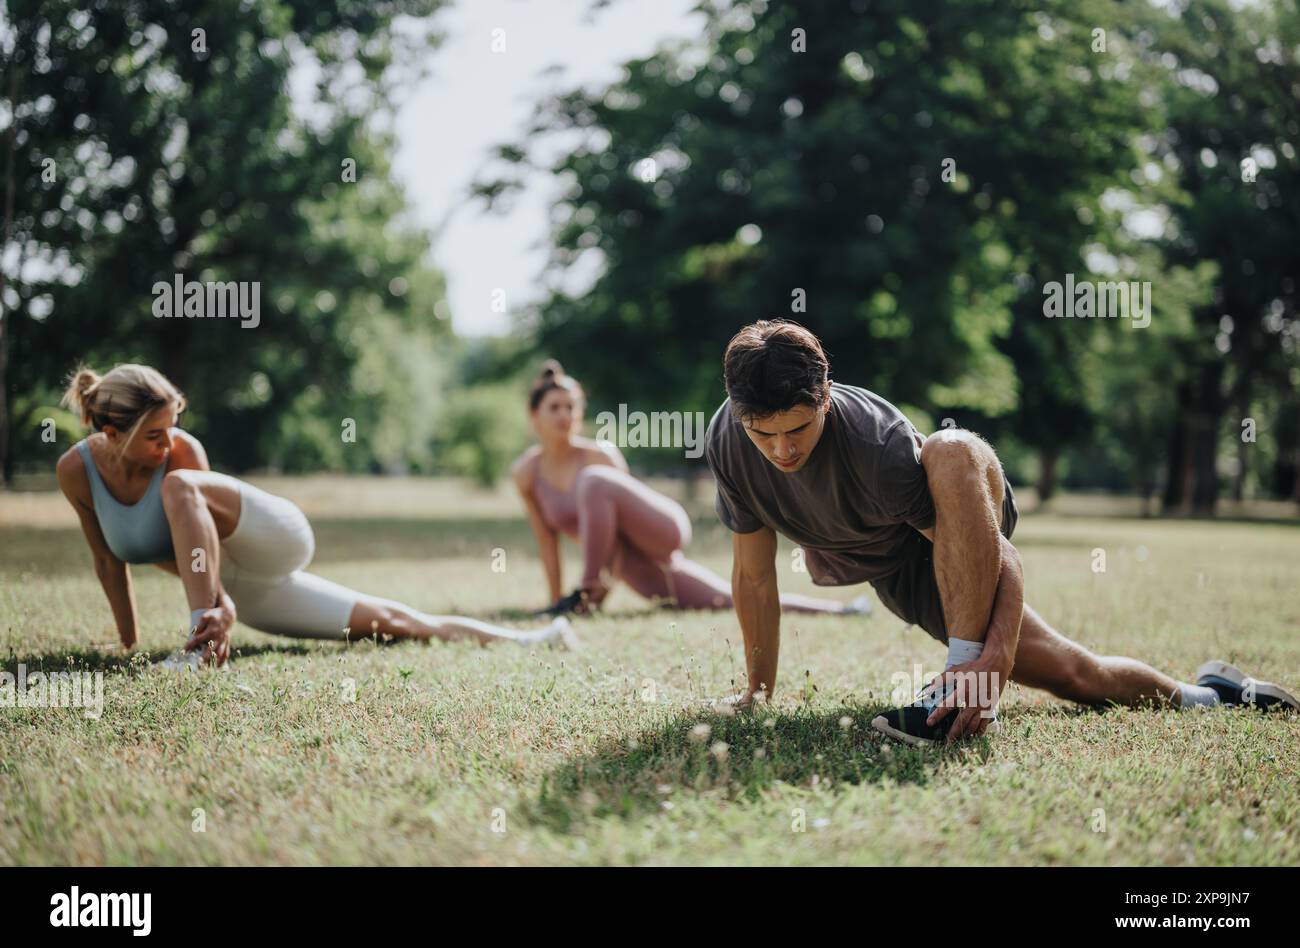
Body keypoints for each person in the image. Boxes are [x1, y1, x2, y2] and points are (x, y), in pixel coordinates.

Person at [703, 320, 1297, 745]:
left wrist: (992, 657)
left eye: (798, 430)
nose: (781, 450)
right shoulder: (730, 440)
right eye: (764, 434)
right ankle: (1216, 693)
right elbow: (754, 576)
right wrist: (759, 693)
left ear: (825, 397)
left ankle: (960, 682)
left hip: (959, 522)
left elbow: (999, 553)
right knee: (1075, 674)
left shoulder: (875, 448)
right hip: (896, 571)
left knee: (952, 447)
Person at [57, 364, 575, 667]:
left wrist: (213, 609)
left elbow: (203, 530)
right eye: (155, 434)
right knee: (393, 623)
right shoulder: (76, 472)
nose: (170, 441)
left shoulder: (182, 459)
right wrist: (129, 644)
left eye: (173, 426)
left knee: (181, 485)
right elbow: (108, 562)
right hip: (241, 587)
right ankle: (536, 638)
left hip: (271, 538)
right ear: (110, 435)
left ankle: (200, 643)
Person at [512, 360, 872, 617]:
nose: (564, 415)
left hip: (660, 532)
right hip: (631, 563)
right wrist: (556, 599)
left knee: (593, 481)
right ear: (534, 416)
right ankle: (842, 610)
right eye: (554, 407)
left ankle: (586, 591)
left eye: (570, 407)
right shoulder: (526, 472)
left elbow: (620, 515)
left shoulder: (599, 456)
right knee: (725, 600)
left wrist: (593, 588)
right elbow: (547, 542)